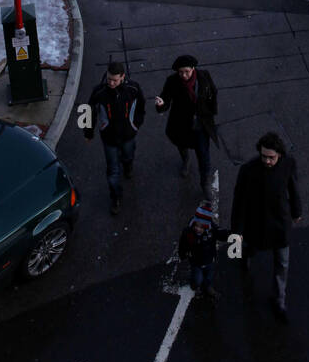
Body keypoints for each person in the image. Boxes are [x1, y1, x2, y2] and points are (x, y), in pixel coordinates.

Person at [230, 132, 302, 324]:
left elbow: (293, 189)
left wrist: (296, 211)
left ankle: (279, 301)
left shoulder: (288, 164)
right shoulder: (248, 171)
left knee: (282, 265)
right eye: (264, 156)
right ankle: (244, 258)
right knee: (250, 249)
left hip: (280, 225)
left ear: (279, 154)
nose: (267, 161)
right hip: (257, 225)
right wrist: (236, 233)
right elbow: (239, 203)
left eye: (271, 157)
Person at [83, 60, 145, 215]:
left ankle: (128, 165)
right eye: (109, 79)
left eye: (115, 80)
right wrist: (88, 133)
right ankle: (115, 197)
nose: (111, 83)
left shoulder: (133, 88)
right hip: (109, 138)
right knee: (112, 171)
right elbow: (87, 111)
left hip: (128, 135)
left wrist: (135, 124)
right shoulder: (99, 92)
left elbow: (141, 106)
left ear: (122, 77)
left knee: (128, 155)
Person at [155, 54, 218, 198]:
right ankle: (186, 160)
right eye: (180, 72)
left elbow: (213, 92)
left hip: (200, 123)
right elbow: (165, 98)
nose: (183, 75)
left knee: (204, 154)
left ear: (193, 69)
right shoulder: (172, 81)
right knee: (181, 143)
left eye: (186, 71)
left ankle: (205, 183)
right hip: (181, 122)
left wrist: (212, 112)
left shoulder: (204, 76)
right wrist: (161, 105)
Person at [178, 199, 227, 301]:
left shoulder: (212, 230)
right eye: (196, 225)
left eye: (201, 227)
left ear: (206, 226)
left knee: (209, 276)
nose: (198, 229)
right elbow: (182, 244)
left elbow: (221, 234)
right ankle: (196, 286)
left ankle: (208, 287)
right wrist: (182, 255)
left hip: (209, 260)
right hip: (196, 261)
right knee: (198, 278)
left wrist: (232, 234)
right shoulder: (188, 232)